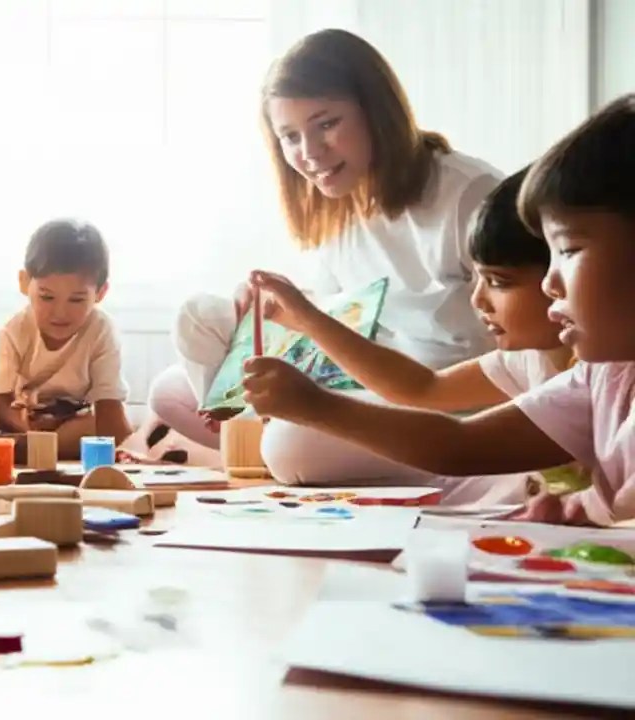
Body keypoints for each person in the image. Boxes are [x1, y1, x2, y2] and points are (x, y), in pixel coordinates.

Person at [241, 94, 635, 526]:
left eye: (570, 250)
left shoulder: (462, 184)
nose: (549, 283)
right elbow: (457, 440)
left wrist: (579, 515)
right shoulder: (604, 373)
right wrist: (313, 398)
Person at [144, 28, 500, 466]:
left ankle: (270, 451)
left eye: (327, 124)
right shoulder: (337, 204)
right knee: (172, 383)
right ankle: (260, 448)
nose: (310, 152)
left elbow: (531, 346)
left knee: (292, 445)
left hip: (441, 398)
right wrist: (277, 308)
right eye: (290, 137)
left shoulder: (469, 194)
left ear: (377, 110)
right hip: (364, 374)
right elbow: (343, 319)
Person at [253, 167, 586, 503]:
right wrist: (308, 319)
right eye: (477, 280)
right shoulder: (528, 359)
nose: (478, 300)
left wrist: (316, 406)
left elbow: (459, 446)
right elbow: (422, 386)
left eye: (499, 282)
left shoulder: (593, 377)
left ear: (559, 280)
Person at [0, 219, 131, 459]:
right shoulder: (15, 329)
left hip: (72, 420)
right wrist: (27, 429)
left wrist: (121, 445)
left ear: (100, 293)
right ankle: (33, 448)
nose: (60, 313)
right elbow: (0, 399)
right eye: (47, 297)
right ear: (25, 283)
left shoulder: (101, 330)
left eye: (76, 300)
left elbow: (109, 408)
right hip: (19, 420)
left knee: (98, 425)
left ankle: (26, 451)